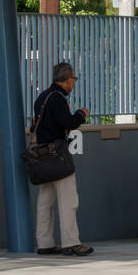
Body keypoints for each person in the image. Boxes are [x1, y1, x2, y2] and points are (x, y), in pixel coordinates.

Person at [32, 62, 94, 256]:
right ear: (67, 80)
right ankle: (71, 242)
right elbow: (68, 124)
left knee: (45, 201)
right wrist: (81, 114)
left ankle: (45, 243)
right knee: (69, 200)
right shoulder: (58, 99)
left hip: (43, 156)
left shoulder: (42, 96)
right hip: (58, 156)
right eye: (73, 79)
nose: (74, 83)